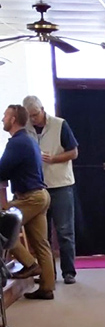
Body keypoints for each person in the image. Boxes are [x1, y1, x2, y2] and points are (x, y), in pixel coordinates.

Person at [0, 104, 56, 300]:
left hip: (30, 197)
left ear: (13, 119)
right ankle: (47, 287)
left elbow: (2, 170)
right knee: (42, 243)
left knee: (3, 228)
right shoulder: (29, 140)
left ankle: (30, 264)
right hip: (41, 195)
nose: (2, 119)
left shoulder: (16, 143)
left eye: (5, 116)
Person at [23, 95, 79, 284]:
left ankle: (68, 272)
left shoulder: (60, 124)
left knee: (64, 231)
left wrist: (53, 159)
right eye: (29, 116)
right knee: (41, 235)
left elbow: (74, 152)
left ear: (43, 109)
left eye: (35, 115)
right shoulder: (25, 129)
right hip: (37, 188)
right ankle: (48, 274)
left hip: (61, 185)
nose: (33, 119)